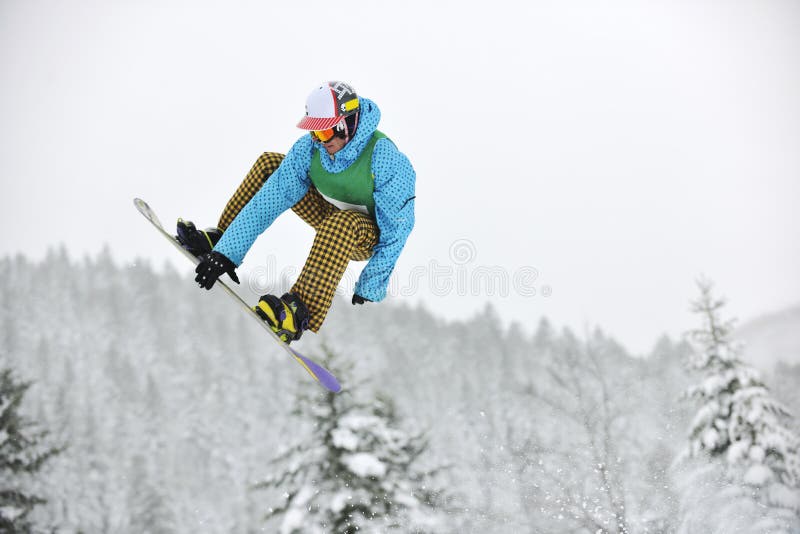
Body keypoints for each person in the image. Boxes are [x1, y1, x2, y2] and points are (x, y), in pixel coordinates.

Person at [177, 81, 416, 344]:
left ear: (346, 124)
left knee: (342, 223)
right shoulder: (308, 149)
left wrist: (371, 282)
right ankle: (222, 238)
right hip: (328, 215)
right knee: (271, 164)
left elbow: (398, 228)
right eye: (314, 132)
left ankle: (297, 311)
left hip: (364, 236)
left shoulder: (385, 158)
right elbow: (269, 199)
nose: (319, 141)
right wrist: (226, 252)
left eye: (325, 133)